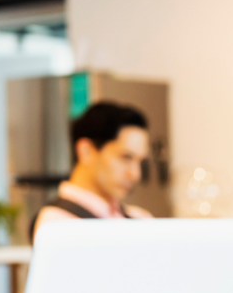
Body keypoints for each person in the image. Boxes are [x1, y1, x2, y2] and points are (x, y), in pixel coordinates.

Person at [31, 102, 151, 238]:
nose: (135, 174)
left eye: (140, 161)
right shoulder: (56, 224)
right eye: (126, 157)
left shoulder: (140, 218)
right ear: (86, 151)